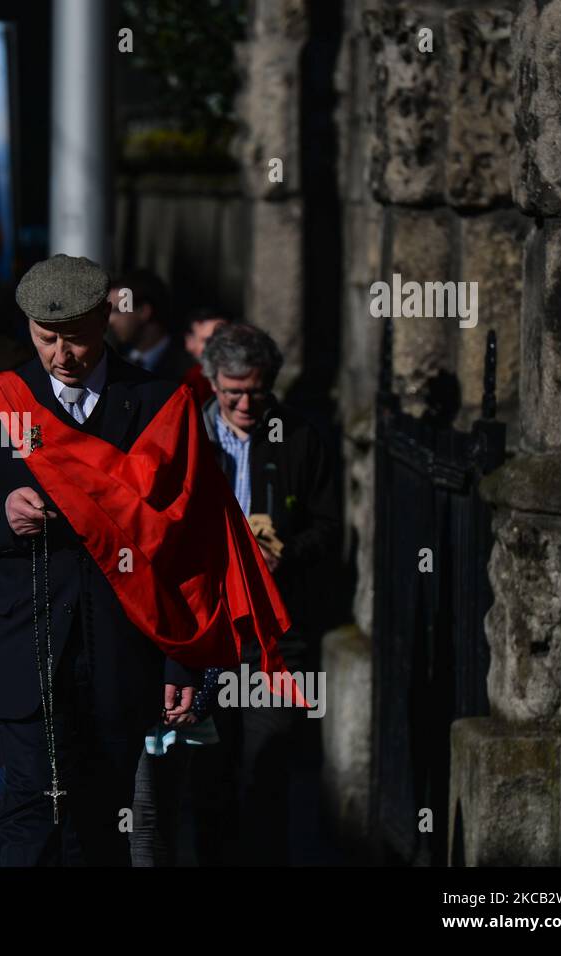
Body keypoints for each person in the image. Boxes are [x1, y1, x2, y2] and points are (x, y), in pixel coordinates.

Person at [0, 254, 293, 866]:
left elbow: (192, 548)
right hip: (25, 644)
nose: (60, 355)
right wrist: (4, 514)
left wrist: (183, 665)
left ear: (107, 317)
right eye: (45, 337)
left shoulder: (161, 404)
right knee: (29, 815)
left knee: (102, 826)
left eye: (74, 336)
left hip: (122, 656)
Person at [195, 322, 342, 864]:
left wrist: (285, 553)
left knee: (266, 769)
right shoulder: (191, 437)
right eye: (233, 391)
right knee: (209, 776)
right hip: (207, 632)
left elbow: (330, 528)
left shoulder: (301, 438)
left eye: (256, 391)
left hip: (274, 636)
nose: (245, 403)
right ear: (213, 384)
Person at [106, 268, 190, 383]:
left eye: (119, 311)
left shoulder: (187, 369)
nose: (111, 320)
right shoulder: (112, 363)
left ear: (144, 311)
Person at [181, 307, 230, 406]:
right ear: (190, 342)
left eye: (222, 339)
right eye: (207, 341)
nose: (216, 346)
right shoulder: (187, 386)